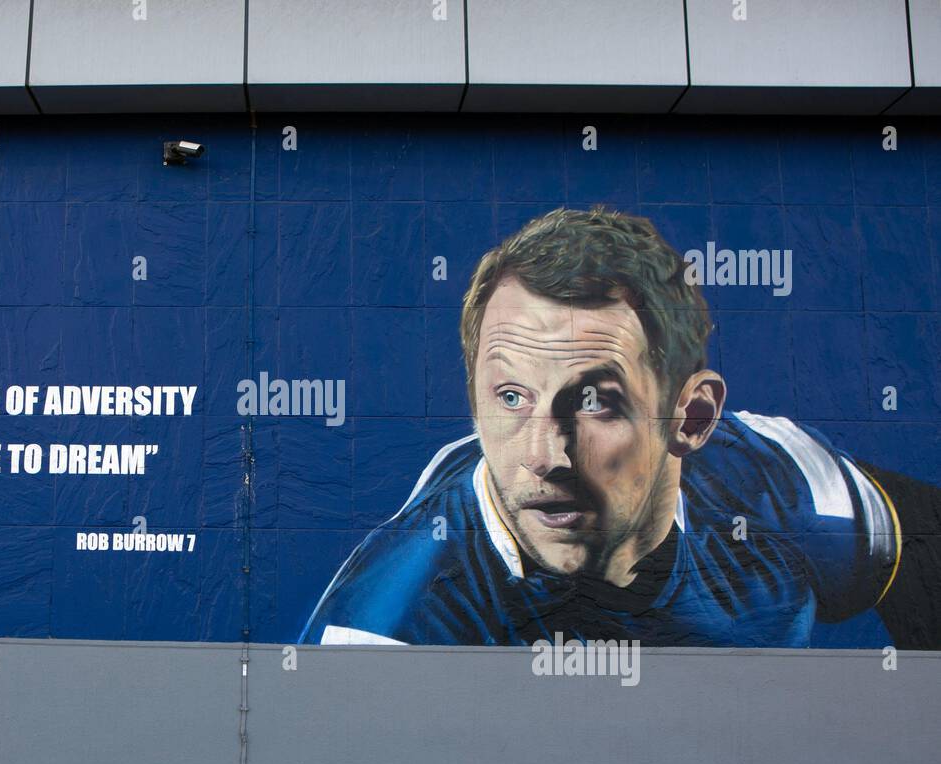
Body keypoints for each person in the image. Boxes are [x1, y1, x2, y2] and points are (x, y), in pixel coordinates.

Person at [300, 207, 940, 649]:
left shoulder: (780, 485)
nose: (546, 455)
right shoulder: (391, 624)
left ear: (691, 419)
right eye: (512, 395)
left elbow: (922, 552)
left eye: (596, 401)